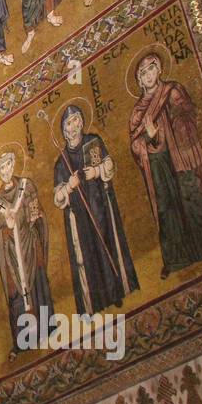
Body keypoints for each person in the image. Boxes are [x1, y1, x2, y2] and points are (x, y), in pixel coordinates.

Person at [129, 53, 202, 277]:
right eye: (143, 73)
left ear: (160, 70)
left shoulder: (172, 91)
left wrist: (169, 127)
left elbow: (188, 113)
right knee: (167, 208)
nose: (148, 75)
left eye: (151, 69)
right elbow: (134, 144)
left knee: (191, 194)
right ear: (139, 80)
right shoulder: (137, 113)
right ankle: (175, 259)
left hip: (179, 157)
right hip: (157, 165)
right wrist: (150, 139)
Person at [53, 105, 139, 312]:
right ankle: (96, 302)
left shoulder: (93, 142)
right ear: (64, 130)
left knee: (107, 245)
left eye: (76, 121)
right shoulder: (61, 161)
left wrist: (97, 171)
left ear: (82, 122)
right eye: (68, 123)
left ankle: (115, 292)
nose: (73, 127)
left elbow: (109, 165)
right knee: (88, 255)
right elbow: (57, 197)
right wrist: (68, 187)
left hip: (100, 205)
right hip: (80, 216)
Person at [0, 152, 54, 353]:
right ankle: (22, 340)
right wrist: (6, 229)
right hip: (12, 259)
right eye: (1, 168)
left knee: (37, 285)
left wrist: (34, 219)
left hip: (30, 248)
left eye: (8, 165)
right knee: (17, 295)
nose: (6, 170)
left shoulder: (26, 187)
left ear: (13, 164)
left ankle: (46, 329)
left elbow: (37, 212)